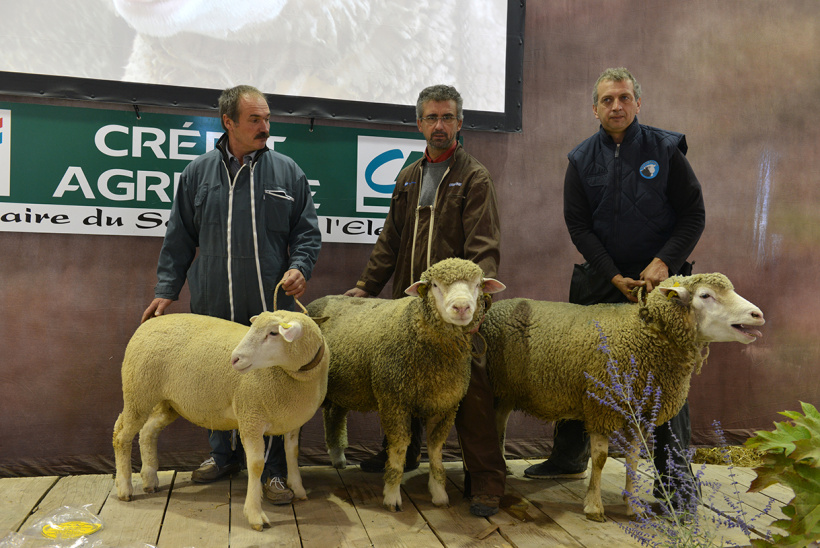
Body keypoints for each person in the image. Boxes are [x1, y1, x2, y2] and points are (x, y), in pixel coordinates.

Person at [525, 68, 705, 508]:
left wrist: (665, 262)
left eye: (624, 97)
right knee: (577, 367)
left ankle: (676, 482)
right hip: (603, 279)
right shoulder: (580, 159)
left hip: (661, 283)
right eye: (607, 100)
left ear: (638, 103)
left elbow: (693, 214)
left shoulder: (666, 150)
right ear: (595, 109)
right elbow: (578, 225)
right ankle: (568, 457)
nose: (616, 106)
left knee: (665, 378)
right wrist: (610, 273)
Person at [141, 84, 321, 506]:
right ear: (228, 122)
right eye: (255, 119)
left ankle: (273, 472)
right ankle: (222, 456)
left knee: (273, 385)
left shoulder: (288, 172)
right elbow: (179, 238)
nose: (265, 126)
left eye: (267, 118)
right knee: (215, 375)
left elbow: (307, 232)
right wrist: (166, 290)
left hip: (269, 306)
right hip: (213, 301)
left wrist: (300, 266)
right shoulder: (197, 174)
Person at [344, 84, 505, 517]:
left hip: (457, 309)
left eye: (447, 117)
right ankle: (403, 452)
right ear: (419, 124)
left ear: (459, 123)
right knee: (401, 376)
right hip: (413, 302)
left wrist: (477, 308)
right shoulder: (408, 176)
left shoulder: (474, 177)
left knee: (470, 390)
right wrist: (367, 286)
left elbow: (484, 248)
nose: (439, 125)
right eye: (431, 117)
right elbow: (390, 239)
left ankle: (486, 481)